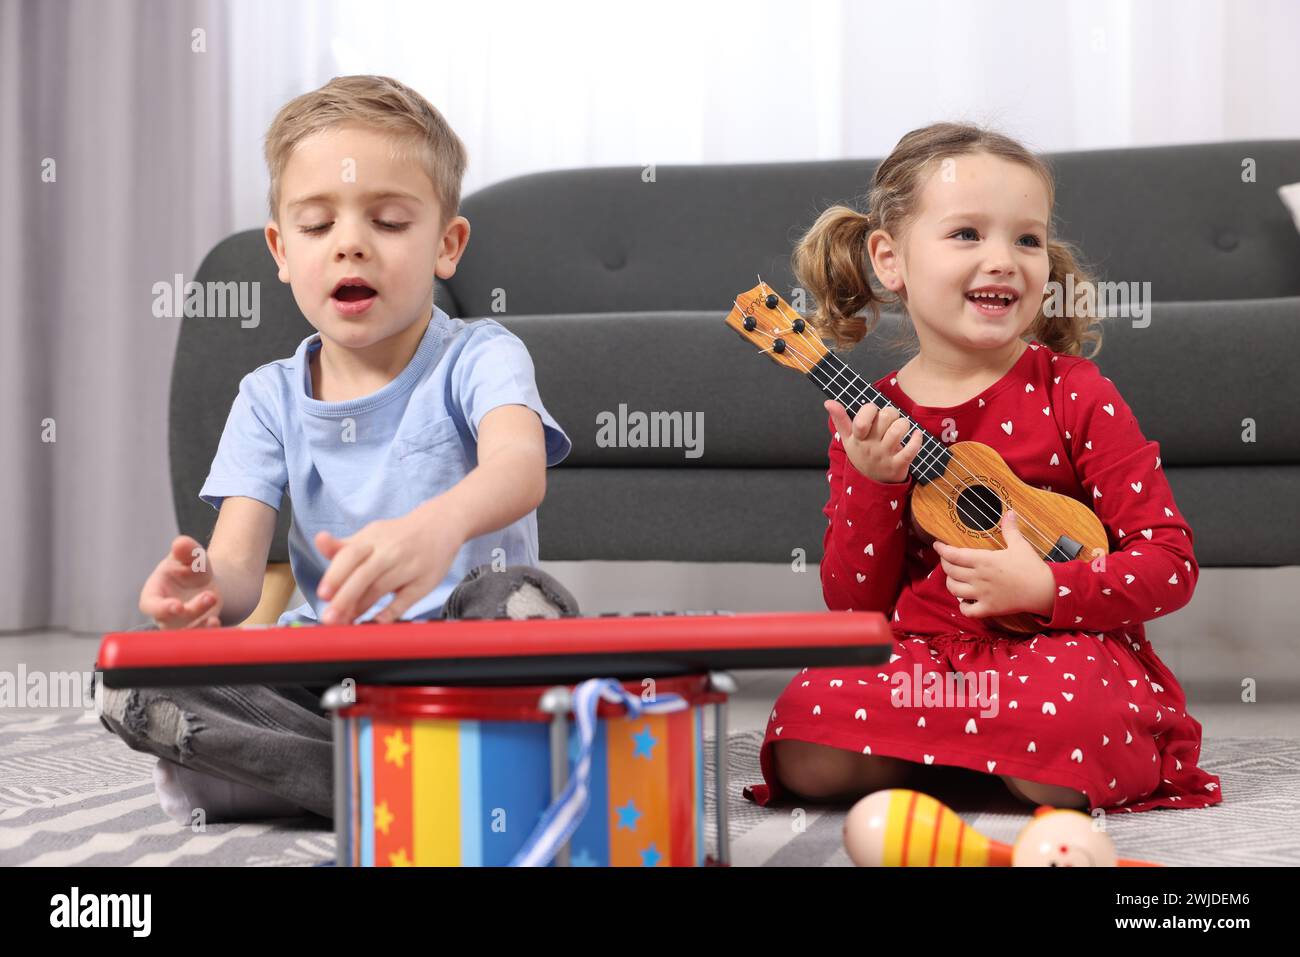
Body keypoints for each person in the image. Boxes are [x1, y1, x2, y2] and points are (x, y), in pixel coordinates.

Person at [98, 75, 576, 823]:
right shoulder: (266, 395)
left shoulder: (482, 354)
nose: (350, 241)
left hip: (464, 655)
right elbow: (239, 576)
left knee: (525, 604)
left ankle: (332, 777)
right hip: (331, 670)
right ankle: (416, 776)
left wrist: (438, 526)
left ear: (447, 245)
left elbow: (519, 467)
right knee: (140, 682)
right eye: (318, 226)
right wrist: (200, 595)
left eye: (387, 220)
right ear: (282, 251)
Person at [744, 122, 1222, 815]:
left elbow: (1170, 562)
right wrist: (873, 482)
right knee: (804, 730)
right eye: (967, 234)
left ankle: (960, 759)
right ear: (890, 259)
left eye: (1027, 239)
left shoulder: (1075, 392)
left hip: (1063, 650)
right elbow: (854, 606)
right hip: (928, 659)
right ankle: (991, 759)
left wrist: (1049, 586)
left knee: (1070, 720)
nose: (1004, 259)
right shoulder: (876, 417)